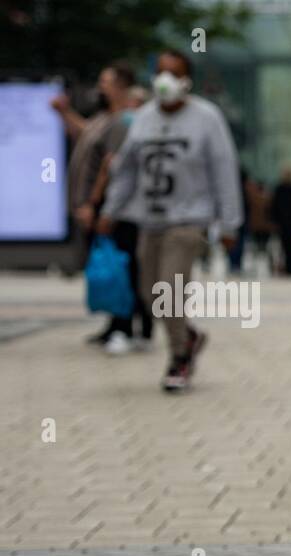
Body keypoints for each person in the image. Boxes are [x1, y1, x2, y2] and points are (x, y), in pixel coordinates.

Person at [97, 49, 242, 393]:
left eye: (174, 74)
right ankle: (189, 336)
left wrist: (229, 223)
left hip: (188, 220)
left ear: (187, 81)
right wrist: (110, 210)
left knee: (169, 290)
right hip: (150, 219)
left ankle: (179, 357)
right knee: (150, 294)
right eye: (160, 72)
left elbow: (224, 170)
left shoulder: (207, 118)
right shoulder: (143, 119)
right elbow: (127, 170)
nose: (166, 81)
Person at [66, 62, 142, 351]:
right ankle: (115, 323)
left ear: (121, 85)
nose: (101, 87)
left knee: (120, 265)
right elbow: (85, 133)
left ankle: (125, 327)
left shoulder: (125, 121)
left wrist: (94, 203)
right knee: (110, 264)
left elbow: (112, 167)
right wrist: (64, 113)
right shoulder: (104, 118)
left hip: (114, 207)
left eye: (106, 81)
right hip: (103, 206)